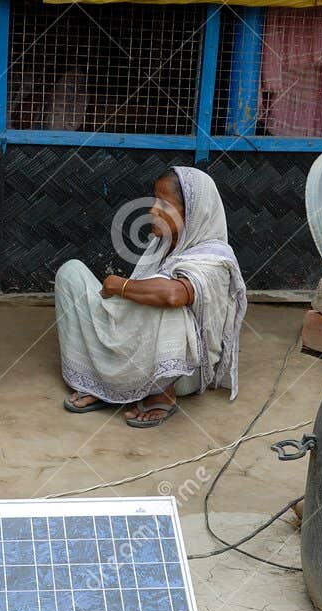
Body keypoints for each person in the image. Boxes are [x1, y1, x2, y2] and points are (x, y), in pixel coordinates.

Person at [55, 167, 247, 428]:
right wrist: (122, 295)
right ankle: (103, 383)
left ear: (193, 213)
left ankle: (161, 394)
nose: (153, 210)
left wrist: (119, 286)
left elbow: (173, 295)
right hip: (143, 353)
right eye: (155, 200)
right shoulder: (164, 244)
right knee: (71, 273)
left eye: (164, 204)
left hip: (182, 373)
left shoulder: (215, 258)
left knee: (167, 302)